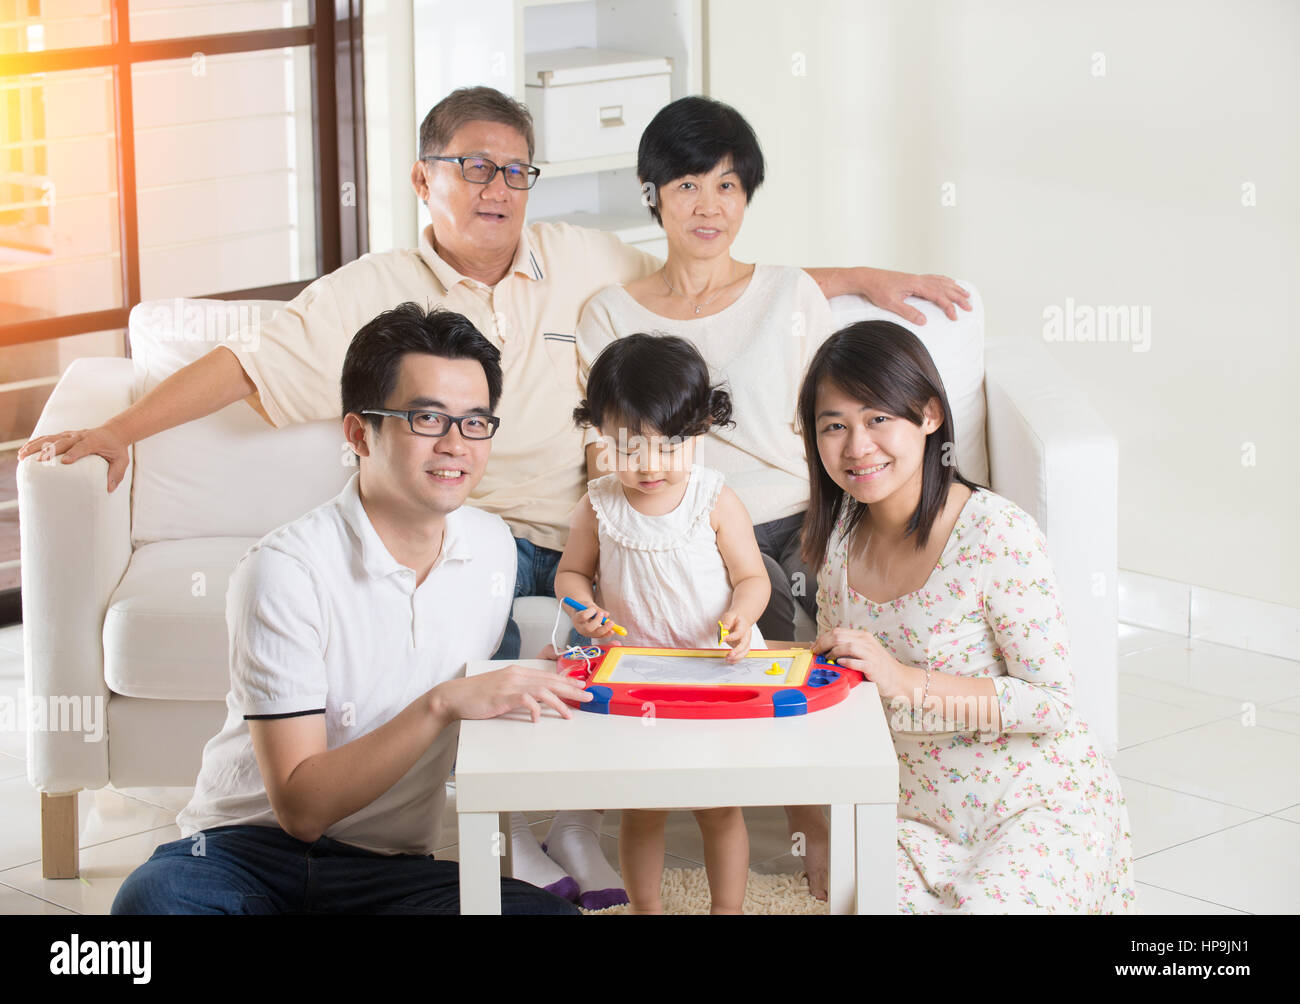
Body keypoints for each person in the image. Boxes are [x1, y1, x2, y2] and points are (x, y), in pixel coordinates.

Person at [20, 84, 968, 904]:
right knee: (513, 628)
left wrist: (860, 283)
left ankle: (623, 824)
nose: (495, 188)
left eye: (515, 171)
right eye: (471, 166)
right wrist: (114, 434)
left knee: (701, 620)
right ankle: (552, 822)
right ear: (421, 179)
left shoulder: (584, 260)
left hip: (605, 523)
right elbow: (244, 363)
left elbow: (710, 272)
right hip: (492, 536)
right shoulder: (376, 288)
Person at [112, 304, 591, 915]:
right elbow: (302, 811)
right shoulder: (285, 569)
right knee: (155, 903)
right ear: (360, 434)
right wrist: (442, 704)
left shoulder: (494, 548)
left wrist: (549, 676)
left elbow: (570, 589)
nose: (455, 445)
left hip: (388, 874)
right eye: (426, 418)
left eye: (475, 423)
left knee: (544, 915)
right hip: (242, 859)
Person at [576, 95, 916, 899]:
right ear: (651, 191)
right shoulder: (607, 315)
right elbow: (602, 447)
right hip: (668, 514)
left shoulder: (790, 293)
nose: (709, 205)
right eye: (689, 183)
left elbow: (821, 423)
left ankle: (819, 820)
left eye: (729, 186)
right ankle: (705, 802)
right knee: (725, 616)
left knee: (795, 615)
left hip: (794, 514)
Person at [800, 320, 1137, 913]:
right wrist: (823, 832)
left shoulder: (995, 533)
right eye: (835, 426)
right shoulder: (838, 542)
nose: (857, 446)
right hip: (914, 821)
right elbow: (842, 696)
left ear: (928, 415)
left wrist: (905, 681)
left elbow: (1052, 702)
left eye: (879, 418)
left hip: (1030, 802)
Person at [554, 334, 770, 914]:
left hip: (709, 671)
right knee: (641, 805)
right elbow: (570, 575)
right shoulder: (598, 504)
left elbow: (754, 579)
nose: (649, 465)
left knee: (718, 806)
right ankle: (645, 908)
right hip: (636, 676)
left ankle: (727, 909)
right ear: (597, 432)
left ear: (701, 429)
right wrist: (584, 609)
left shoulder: (714, 499)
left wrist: (740, 615)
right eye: (628, 448)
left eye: (670, 445)